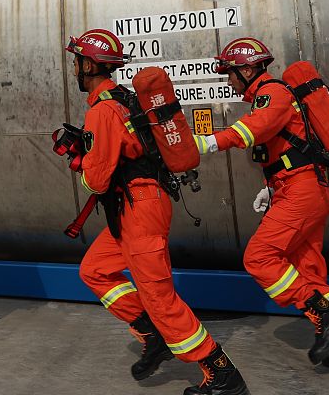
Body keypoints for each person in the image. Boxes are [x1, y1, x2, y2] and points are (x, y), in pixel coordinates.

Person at [65, 28, 248, 395]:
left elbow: (97, 181)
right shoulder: (127, 100)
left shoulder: (102, 112)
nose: (74, 69)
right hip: (138, 206)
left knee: (158, 295)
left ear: (88, 64)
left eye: (77, 62)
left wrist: (78, 159)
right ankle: (152, 331)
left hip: (139, 208)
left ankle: (220, 370)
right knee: (96, 270)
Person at [196, 38, 329, 372]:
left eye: (229, 72)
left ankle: (325, 315)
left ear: (247, 68)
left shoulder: (273, 93)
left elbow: (257, 129)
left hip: (301, 192)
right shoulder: (267, 97)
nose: (228, 80)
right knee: (310, 273)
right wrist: (270, 188)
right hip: (299, 188)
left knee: (259, 258)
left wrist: (209, 142)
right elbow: (287, 149)